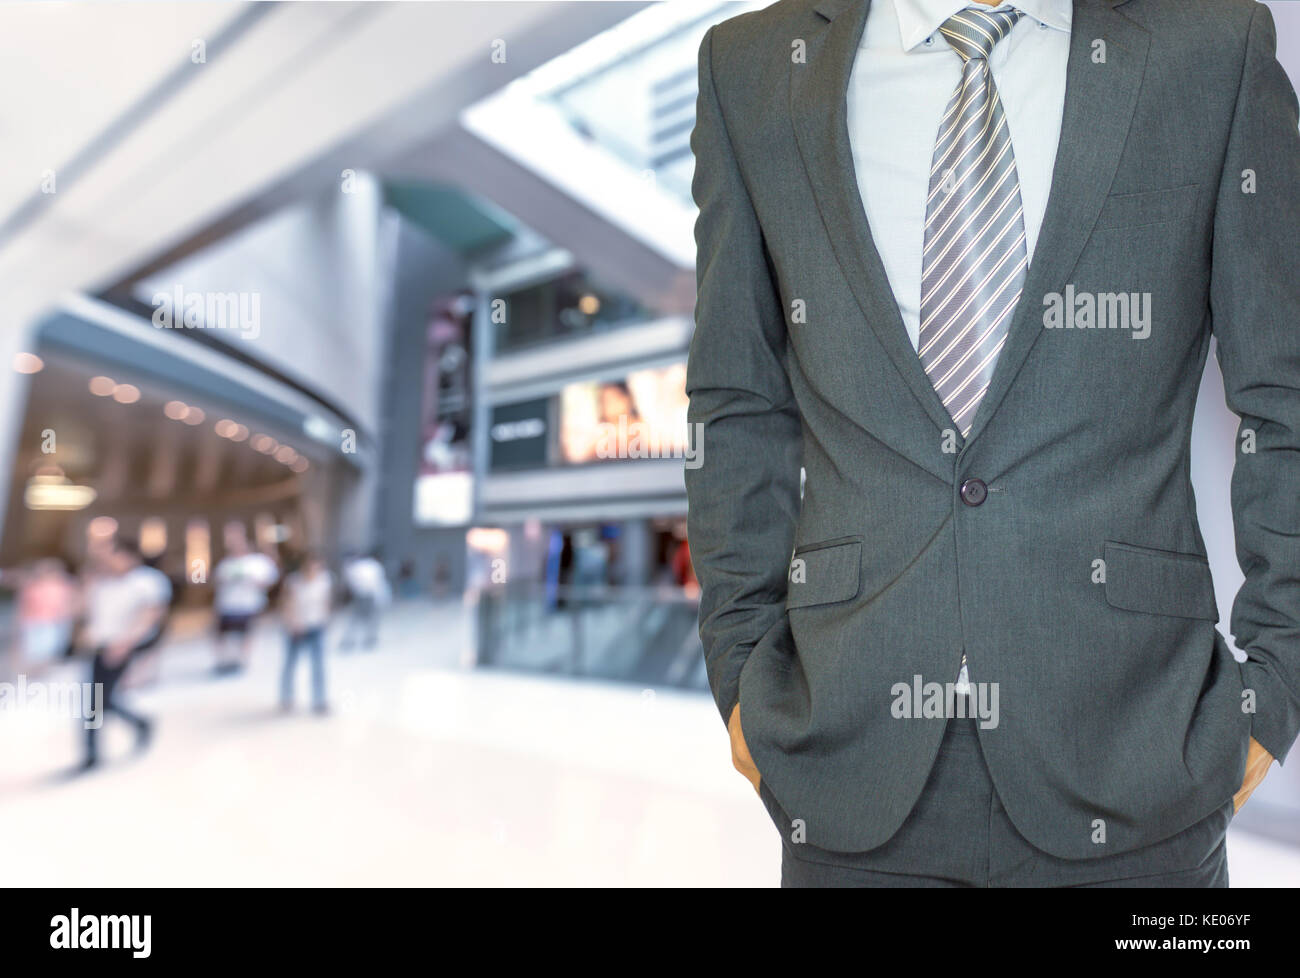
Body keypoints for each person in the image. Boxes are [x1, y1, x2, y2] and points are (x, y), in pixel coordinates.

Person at [686, 0, 1297, 886]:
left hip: (1139, 759)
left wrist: (1274, 690)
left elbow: (1285, 391)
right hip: (846, 758)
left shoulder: (1210, 45)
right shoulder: (748, 67)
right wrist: (740, 670)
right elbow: (734, 402)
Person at [79, 539, 169, 770]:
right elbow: (85, 611)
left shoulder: (147, 581)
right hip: (101, 646)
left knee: (99, 700)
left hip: (123, 647)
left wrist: (125, 643)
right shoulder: (101, 582)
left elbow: (149, 615)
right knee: (96, 700)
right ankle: (92, 752)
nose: (105, 560)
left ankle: (137, 726)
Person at [212, 527, 278, 675]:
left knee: (246, 634)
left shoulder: (258, 562)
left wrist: (252, 581)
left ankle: (242, 661)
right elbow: (216, 582)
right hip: (227, 605)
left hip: (248, 605)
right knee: (222, 636)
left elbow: (269, 580)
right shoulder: (226, 563)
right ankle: (224, 661)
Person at [279, 553, 331, 714]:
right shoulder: (294, 581)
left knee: (318, 665)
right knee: (290, 664)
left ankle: (319, 700)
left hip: (316, 626)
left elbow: (325, 601)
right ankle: (286, 698)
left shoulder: (325, 579)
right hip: (297, 627)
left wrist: (326, 619)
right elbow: (287, 603)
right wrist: (292, 622)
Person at [15, 558, 79, 675]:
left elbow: (69, 604)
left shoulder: (63, 586)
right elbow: (24, 605)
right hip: (33, 623)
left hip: (53, 624)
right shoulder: (32, 586)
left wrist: (66, 618)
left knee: (50, 653)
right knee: (33, 653)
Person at [340, 552, 388, 651]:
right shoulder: (374, 566)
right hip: (369, 595)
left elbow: (351, 583)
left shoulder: (354, 567)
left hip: (362, 595)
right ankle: (368, 639)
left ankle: (351, 641)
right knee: (369, 619)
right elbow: (379, 583)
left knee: (357, 619)